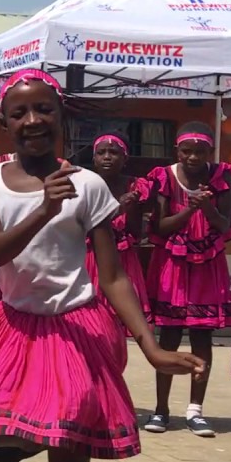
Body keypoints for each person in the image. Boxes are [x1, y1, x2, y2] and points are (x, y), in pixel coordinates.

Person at [0, 69, 204, 462]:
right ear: (6, 122)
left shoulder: (87, 185)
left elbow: (114, 276)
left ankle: (44, 433)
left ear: (60, 114)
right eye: (20, 112)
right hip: (12, 327)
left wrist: (151, 347)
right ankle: (27, 436)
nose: (33, 120)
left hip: (76, 329)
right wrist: (44, 210)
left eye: (44, 109)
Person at [144, 121, 231, 437]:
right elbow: (161, 227)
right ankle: (161, 409)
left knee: (201, 338)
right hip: (173, 263)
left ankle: (195, 411)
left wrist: (207, 207)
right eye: (187, 151)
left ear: (210, 151)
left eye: (200, 152)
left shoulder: (221, 178)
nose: (193, 157)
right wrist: (189, 211)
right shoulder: (165, 178)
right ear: (177, 151)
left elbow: (224, 225)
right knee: (168, 337)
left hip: (206, 266)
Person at [85, 134, 151, 331]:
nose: (107, 157)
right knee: (91, 325)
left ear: (125, 158)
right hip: (90, 260)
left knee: (119, 324)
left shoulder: (135, 187)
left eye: (113, 153)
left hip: (122, 262)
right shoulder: (83, 184)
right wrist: (117, 208)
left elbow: (135, 233)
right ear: (93, 158)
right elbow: (81, 228)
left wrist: (130, 209)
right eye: (101, 152)